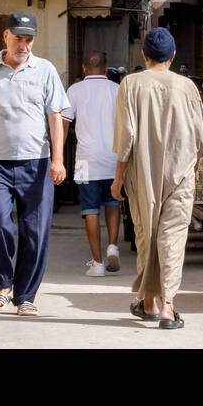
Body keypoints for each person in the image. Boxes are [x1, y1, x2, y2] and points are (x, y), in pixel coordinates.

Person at [0, 12, 69, 316]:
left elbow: (55, 118)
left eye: (28, 39)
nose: (23, 44)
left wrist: (59, 159)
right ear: (5, 37)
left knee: (35, 231)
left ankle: (26, 296)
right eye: (18, 38)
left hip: (36, 164)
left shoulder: (45, 70)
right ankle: (3, 284)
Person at [111, 27, 203, 330]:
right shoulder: (188, 87)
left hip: (143, 174)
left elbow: (126, 139)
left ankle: (150, 302)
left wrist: (117, 179)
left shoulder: (131, 84)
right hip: (180, 174)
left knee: (147, 236)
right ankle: (166, 308)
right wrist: (194, 171)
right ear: (173, 56)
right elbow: (202, 140)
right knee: (172, 239)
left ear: (144, 55)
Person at [62, 51, 122, 276]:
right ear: (106, 69)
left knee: (90, 210)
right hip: (114, 158)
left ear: (84, 67)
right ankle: (113, 245)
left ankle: (97, 264)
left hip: (85, 160)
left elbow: (64, 124)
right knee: (113, 204)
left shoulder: (74, 90)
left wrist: (58, 155)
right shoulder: (118, 90)